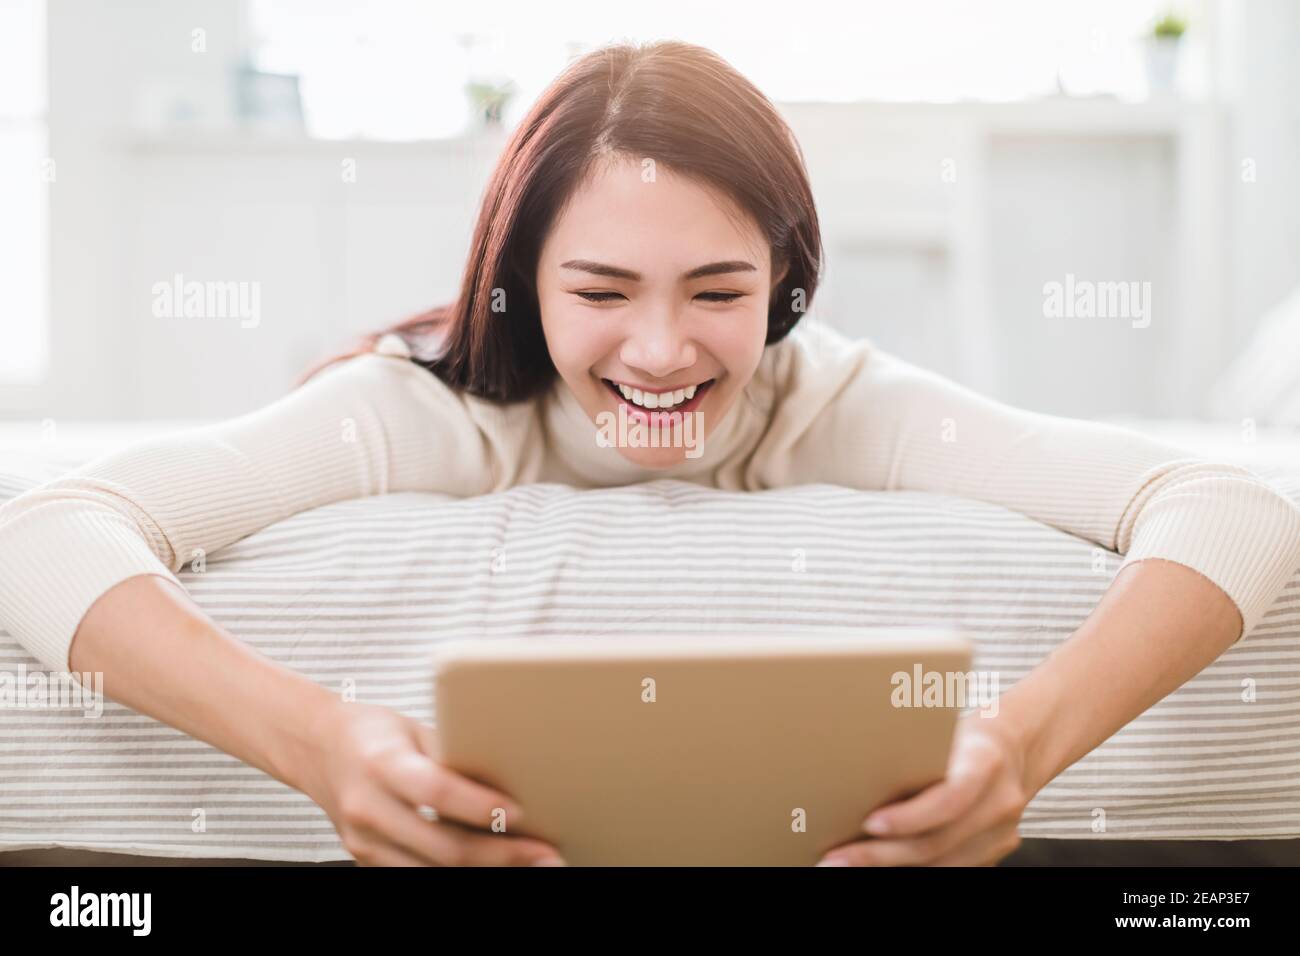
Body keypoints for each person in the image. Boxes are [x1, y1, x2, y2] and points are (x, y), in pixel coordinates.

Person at [1, 40, 1297, 867]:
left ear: (789, 286)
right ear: (522, 281)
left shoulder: (838, 397)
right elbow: (50, 528)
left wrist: (1014, 749)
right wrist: (320, 745)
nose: (664, 350)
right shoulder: (416, 410)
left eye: (719, 293)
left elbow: (1230, 507)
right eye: (603, 290)